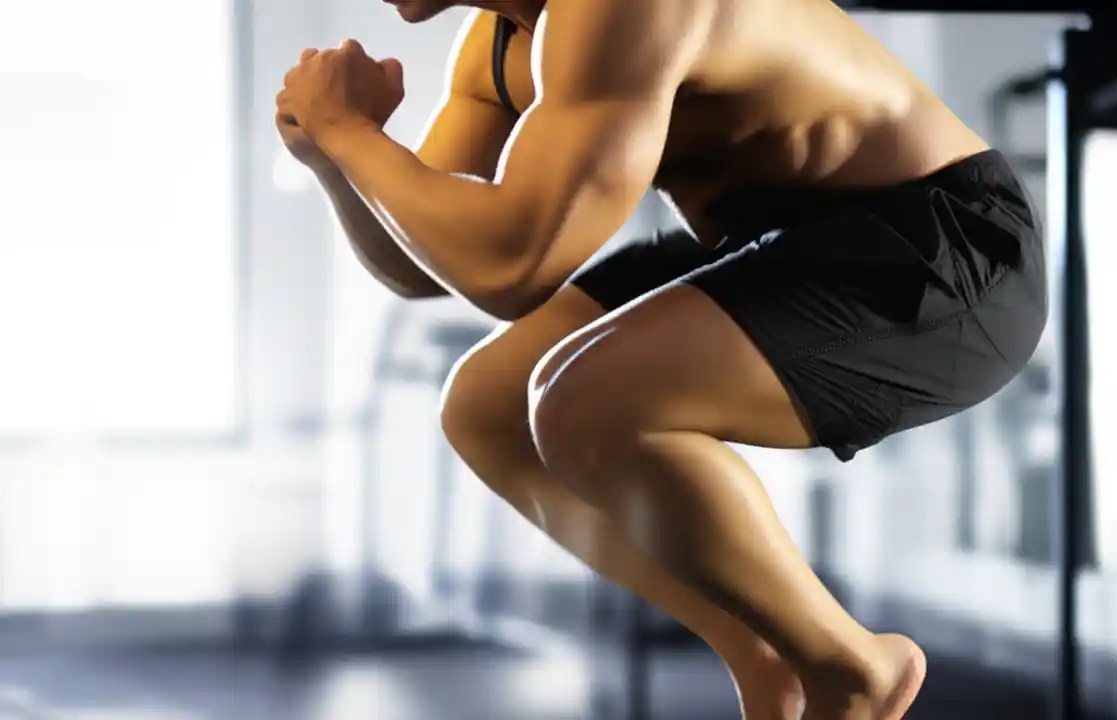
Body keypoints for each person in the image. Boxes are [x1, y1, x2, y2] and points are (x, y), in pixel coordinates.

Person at [274, 1, 1047, 717]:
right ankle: (767, 655)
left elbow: (510, 269)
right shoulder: (496, 45)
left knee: (587, 400)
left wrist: (354, 139)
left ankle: (856, 668)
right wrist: (333, 158)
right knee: (487, 406)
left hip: (944, 245)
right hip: (771, 240)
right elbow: (421, 268)